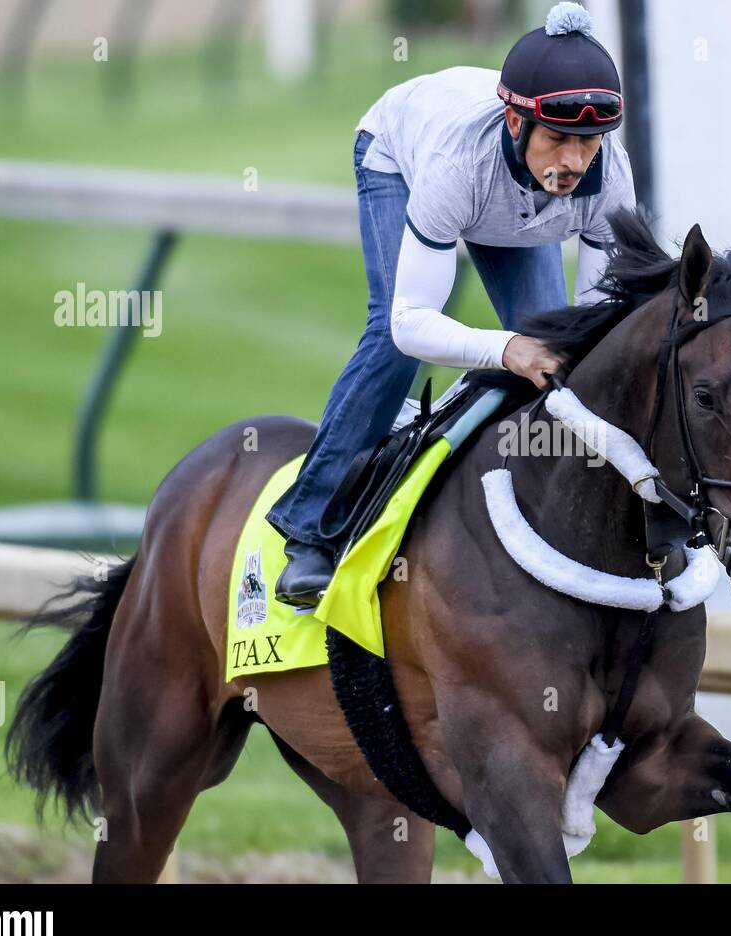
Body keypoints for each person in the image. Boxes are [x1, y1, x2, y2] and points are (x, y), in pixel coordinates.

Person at [267, 2, 636, 606]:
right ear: (516, 124)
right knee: (391, 343)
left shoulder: (609, 175)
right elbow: (411, 323)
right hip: (399, 155)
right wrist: (508, 349)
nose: (573, 163)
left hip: (504, 198)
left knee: (566, 365)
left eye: (589, 144)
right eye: (559, 140)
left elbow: (596, 327)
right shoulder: (455, 166)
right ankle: (311, 533)